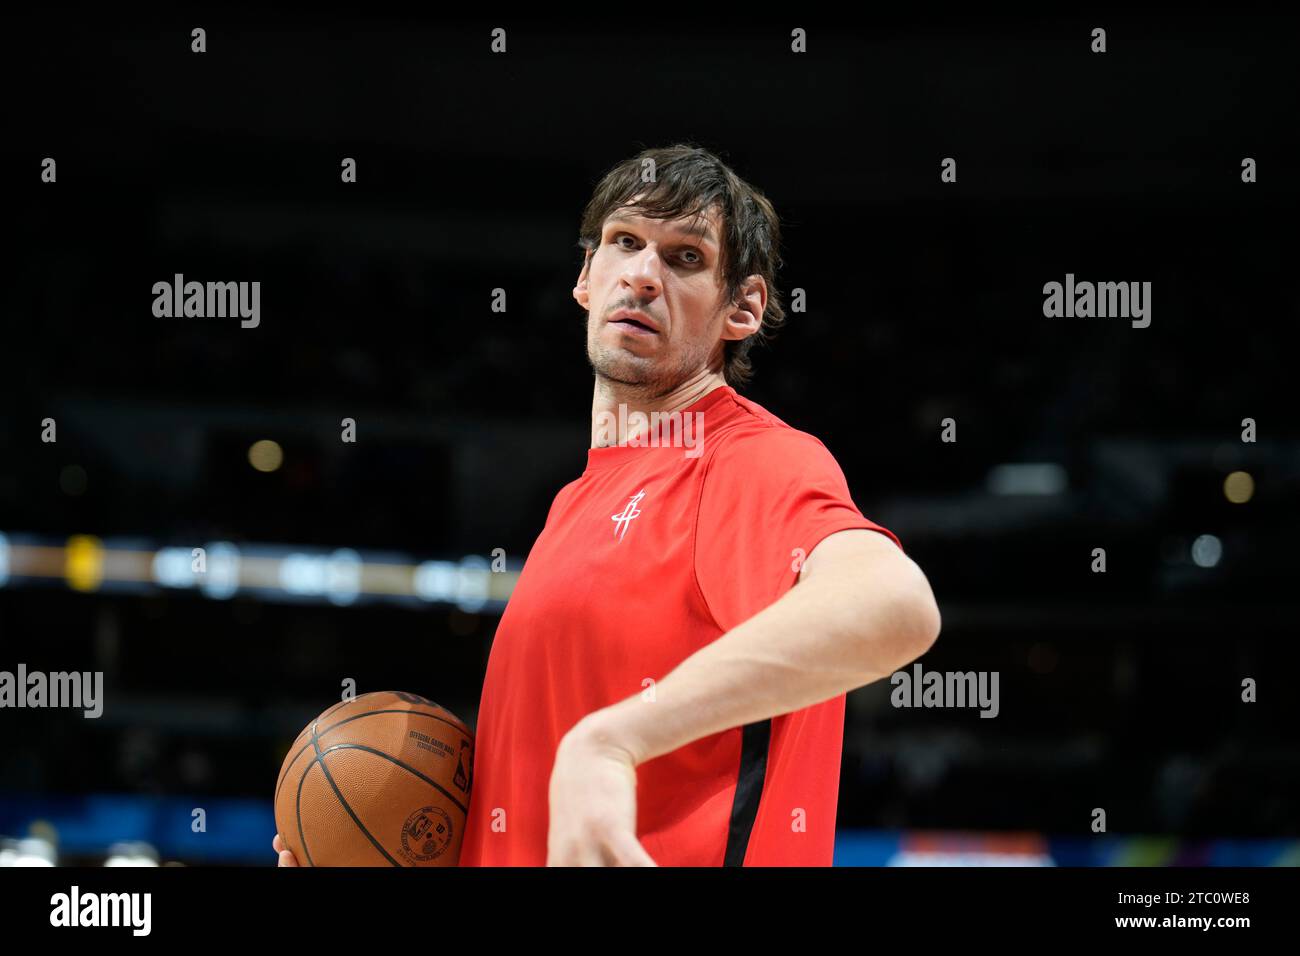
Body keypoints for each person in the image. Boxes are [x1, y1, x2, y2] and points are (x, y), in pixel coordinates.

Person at [275, 143, 940, 867]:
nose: (645, 275)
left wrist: (613, 738)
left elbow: (895, 606)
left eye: (685, 258)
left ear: (743, 308)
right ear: (587, 277)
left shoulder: (744, 458)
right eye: (626, 242)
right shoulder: (575, 501)